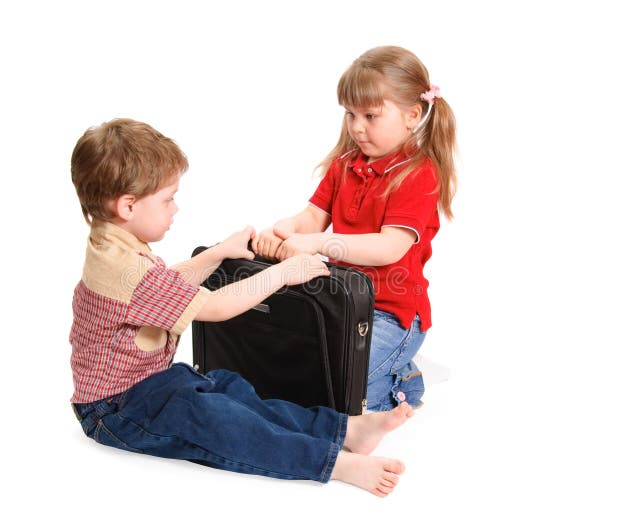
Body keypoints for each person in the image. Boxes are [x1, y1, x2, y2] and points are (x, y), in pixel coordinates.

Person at [68, 118, 415, 497]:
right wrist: (283, 273)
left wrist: (217, 253)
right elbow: (215, 307)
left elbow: (167, 285)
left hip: (150, 385)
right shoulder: (124, 270)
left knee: (232, 389)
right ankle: (333, 462)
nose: (176, 208)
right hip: (116, 410)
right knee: (224, 423)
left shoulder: (114, 246)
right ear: (128, 205)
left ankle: (345, 429)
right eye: (167, 199)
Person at [253, 46, 457, 412]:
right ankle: (390, 365)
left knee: (348, 402)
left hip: (390, 314)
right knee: (302, 374)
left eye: (370, 115)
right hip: (341, 301)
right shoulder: (345, 165)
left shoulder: (418, 175)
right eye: (350, 114)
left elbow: (388, 248)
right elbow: (313, 215)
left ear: (412, 115)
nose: (357, 127)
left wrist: (316, 242)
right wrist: (286, 228)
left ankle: (406, 379)